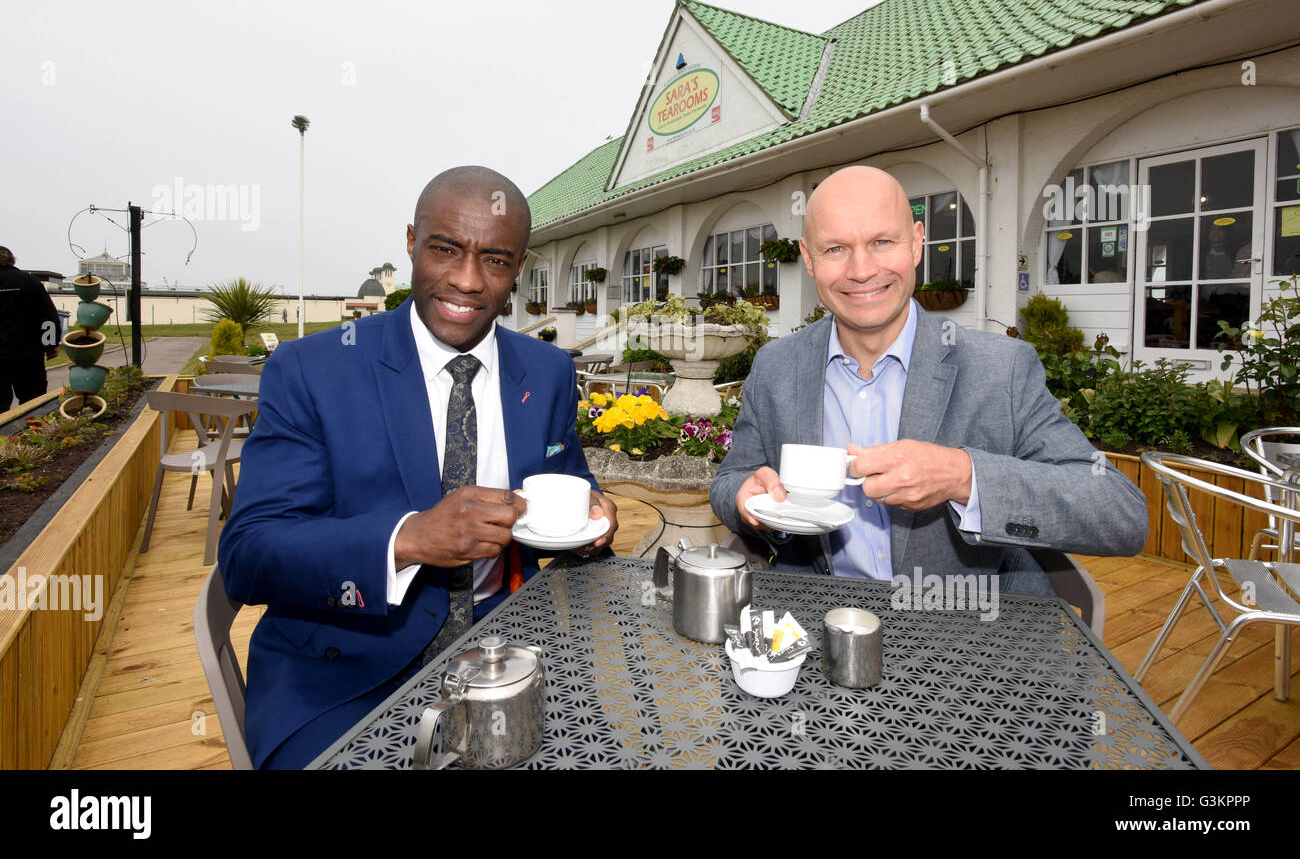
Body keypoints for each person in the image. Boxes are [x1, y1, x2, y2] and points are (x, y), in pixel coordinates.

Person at [220, 166, 618, 769]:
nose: (466, 280)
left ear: (518, 267)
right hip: (342, 673)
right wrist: (408, 539)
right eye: (445, 249)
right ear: (411, 242)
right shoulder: (313, 370)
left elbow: (571, 490)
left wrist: (595, 517)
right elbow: (249, 555)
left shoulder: (548, 373)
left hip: (508, 651)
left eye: (495, 261)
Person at [710, 166, 1147, 592]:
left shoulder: (1001, 370)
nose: (861, 270)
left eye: (882, 241)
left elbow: (1120, 513)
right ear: (808, 259)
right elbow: (734, 479)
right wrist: (745, 499)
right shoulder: (775, 367)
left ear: (917, 243)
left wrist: (963, 477)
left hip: (957, 637)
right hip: (813, 622)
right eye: (836, 249)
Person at [0, 246, 62, 413]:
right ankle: (30, 436)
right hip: (28, 355)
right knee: (33, 404)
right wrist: (50, 346)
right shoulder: (30, 281)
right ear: (12, 260)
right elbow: (49, 316)